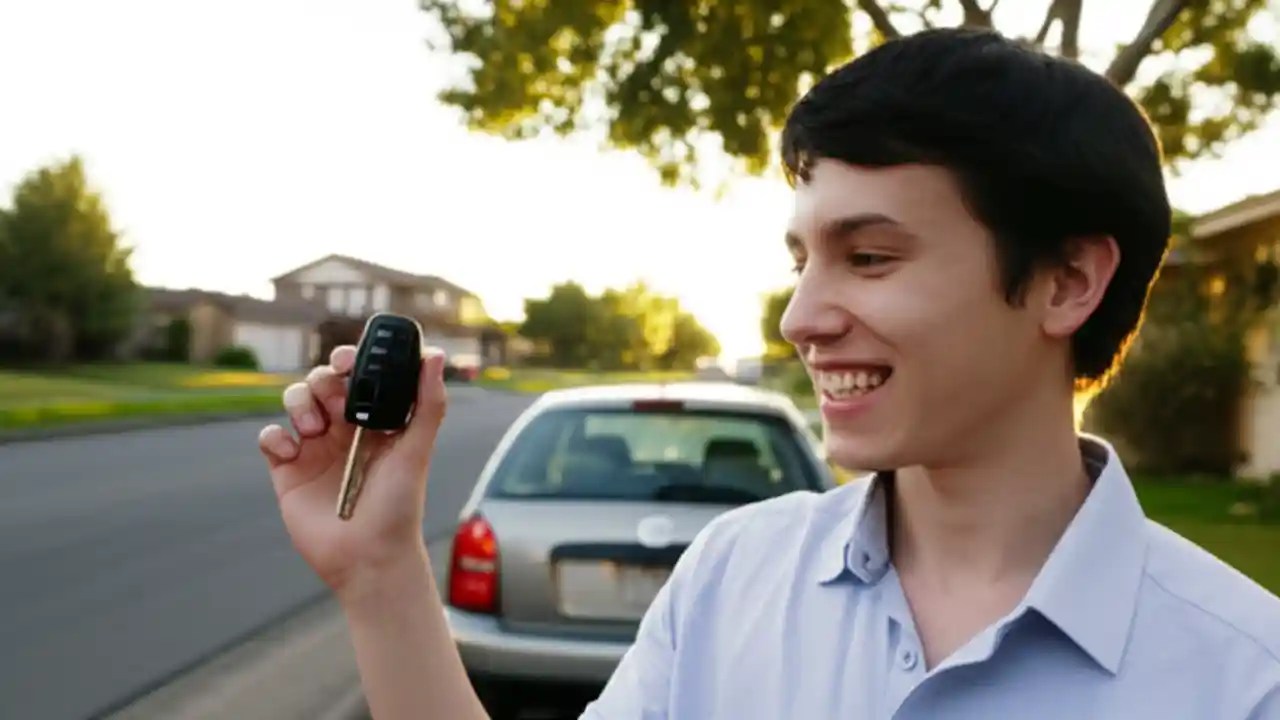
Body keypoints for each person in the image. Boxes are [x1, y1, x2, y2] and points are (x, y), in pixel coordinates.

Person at [257, 27, 1280, 720]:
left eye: (868, 257)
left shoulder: (1244, 679)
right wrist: (381, 570)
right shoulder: (727, 578)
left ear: (1065, 282)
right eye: (802, 260)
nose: (801, 319)